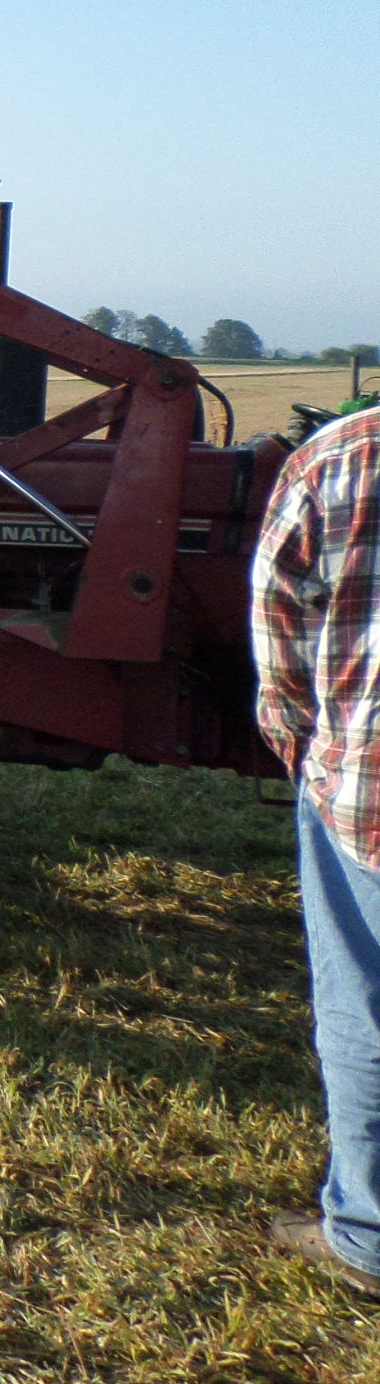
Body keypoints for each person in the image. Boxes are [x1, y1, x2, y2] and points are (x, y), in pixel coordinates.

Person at [255, 403, 380, 1294]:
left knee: (363, 1011)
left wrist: (315, 754)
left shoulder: (338, 457)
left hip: (367, 786)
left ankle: (368, 1235)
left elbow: (280, 638)